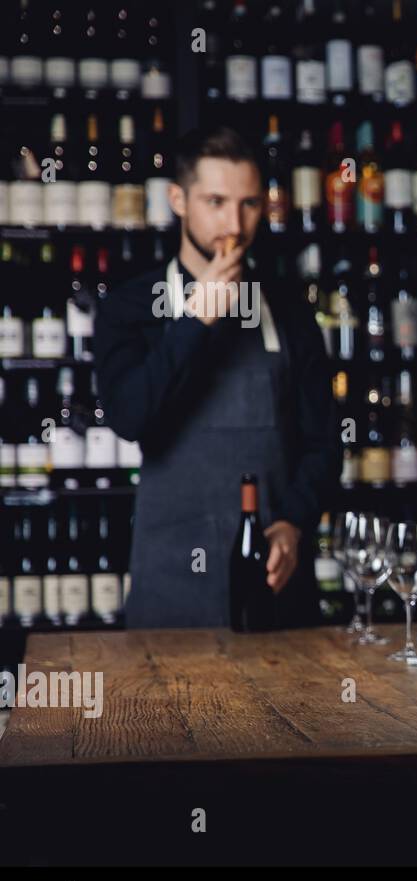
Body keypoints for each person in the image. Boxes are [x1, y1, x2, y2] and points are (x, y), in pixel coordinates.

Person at [94, 126, 340, 629]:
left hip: (277, 589)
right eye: (216, 202)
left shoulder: (288, 310)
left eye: (249, 204)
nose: (235, 223)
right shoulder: (129, 307)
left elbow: (325, 445)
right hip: (171, 585)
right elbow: (131, 417)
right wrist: (193, 321)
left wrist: (294, 522)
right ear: (178, 200)